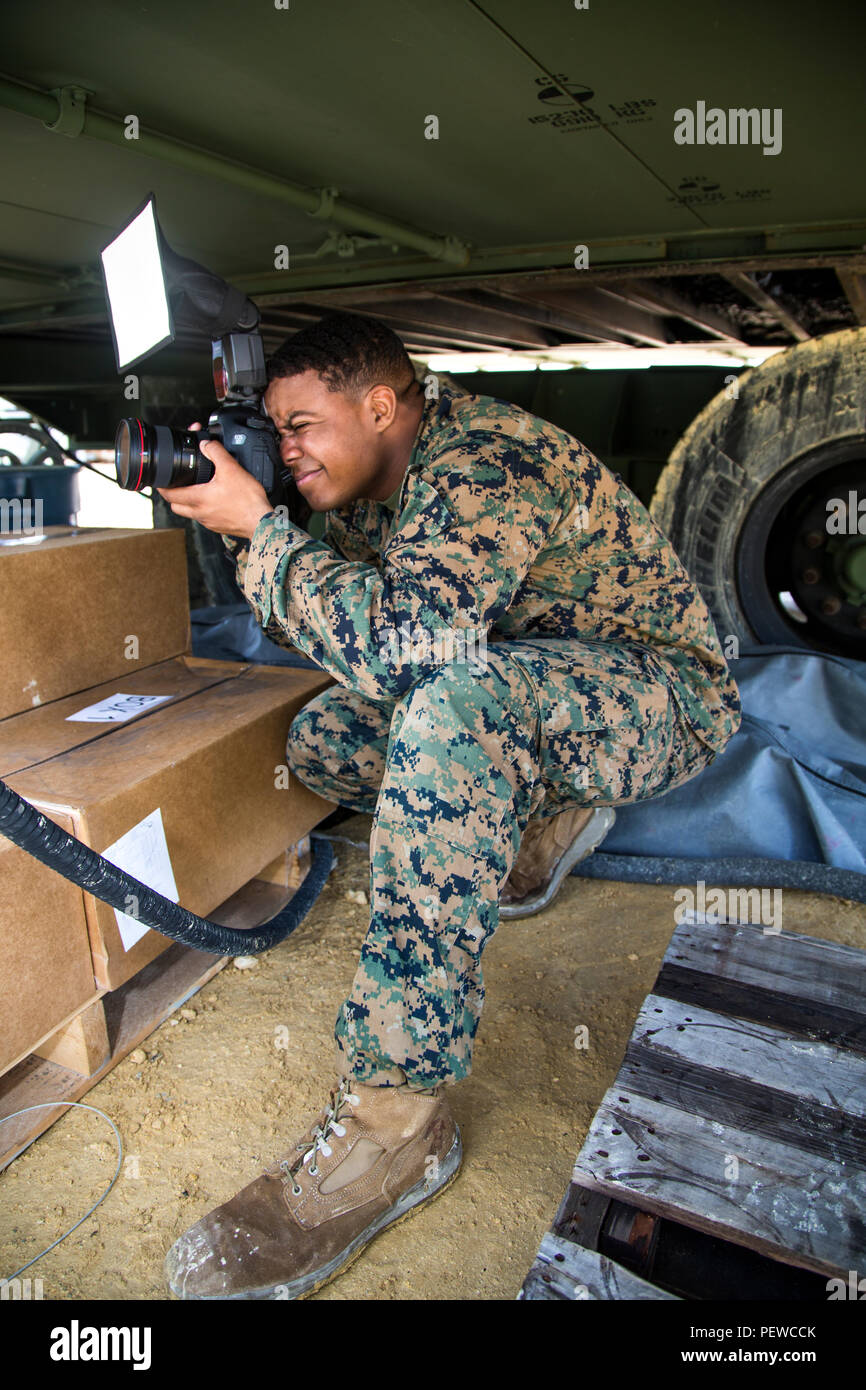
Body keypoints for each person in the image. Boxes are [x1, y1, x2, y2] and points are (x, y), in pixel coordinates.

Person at [155, 311, 741, 1299]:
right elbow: (365, 646)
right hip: (531, 683)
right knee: (324, 742)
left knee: (453, 708)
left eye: (299, 424)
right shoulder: (375, 482)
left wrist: (260, 538)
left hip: (659, 698)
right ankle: (539, 820)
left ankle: (393, 1127)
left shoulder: (483, 461)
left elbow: (410, 655)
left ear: (380, 404)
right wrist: (272, 529)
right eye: (273, 430)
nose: (283, 448)